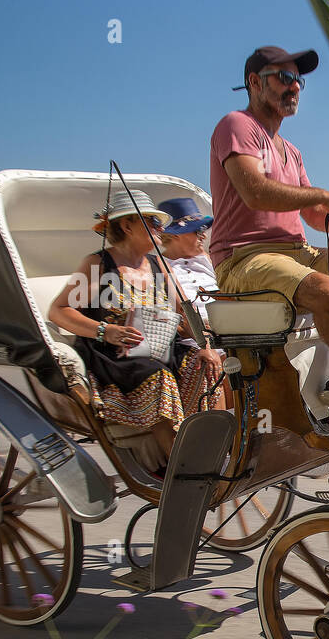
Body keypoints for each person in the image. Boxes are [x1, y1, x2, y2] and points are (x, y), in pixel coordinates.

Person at [209, 45, 329, 426]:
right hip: (244, 258)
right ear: (254, 82)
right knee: (325, 289)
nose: (294, 86)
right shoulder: (236, 125)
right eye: (284, 77)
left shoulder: (291, 151)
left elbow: (313, 215)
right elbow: (256, 192)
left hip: (296, 251)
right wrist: (321, 195)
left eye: (298, 80)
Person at [47, 189, 225, 469]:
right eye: (153, 223)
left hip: (158, 348)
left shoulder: (158, 265)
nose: (160, 229)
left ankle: (212, 449)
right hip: (115, 357)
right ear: (127, 225)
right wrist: (105, 330)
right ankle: (179, 466)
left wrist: (206, 348)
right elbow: (59, 311)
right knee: (160, 377)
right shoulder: (98, 264)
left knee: (207, 367)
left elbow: (183, 311)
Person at [157, 196, 216, 329]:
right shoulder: (157, 266)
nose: (204, 236)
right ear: (176, 235)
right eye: (198, 230)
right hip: (189, 340)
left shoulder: (209, 260)